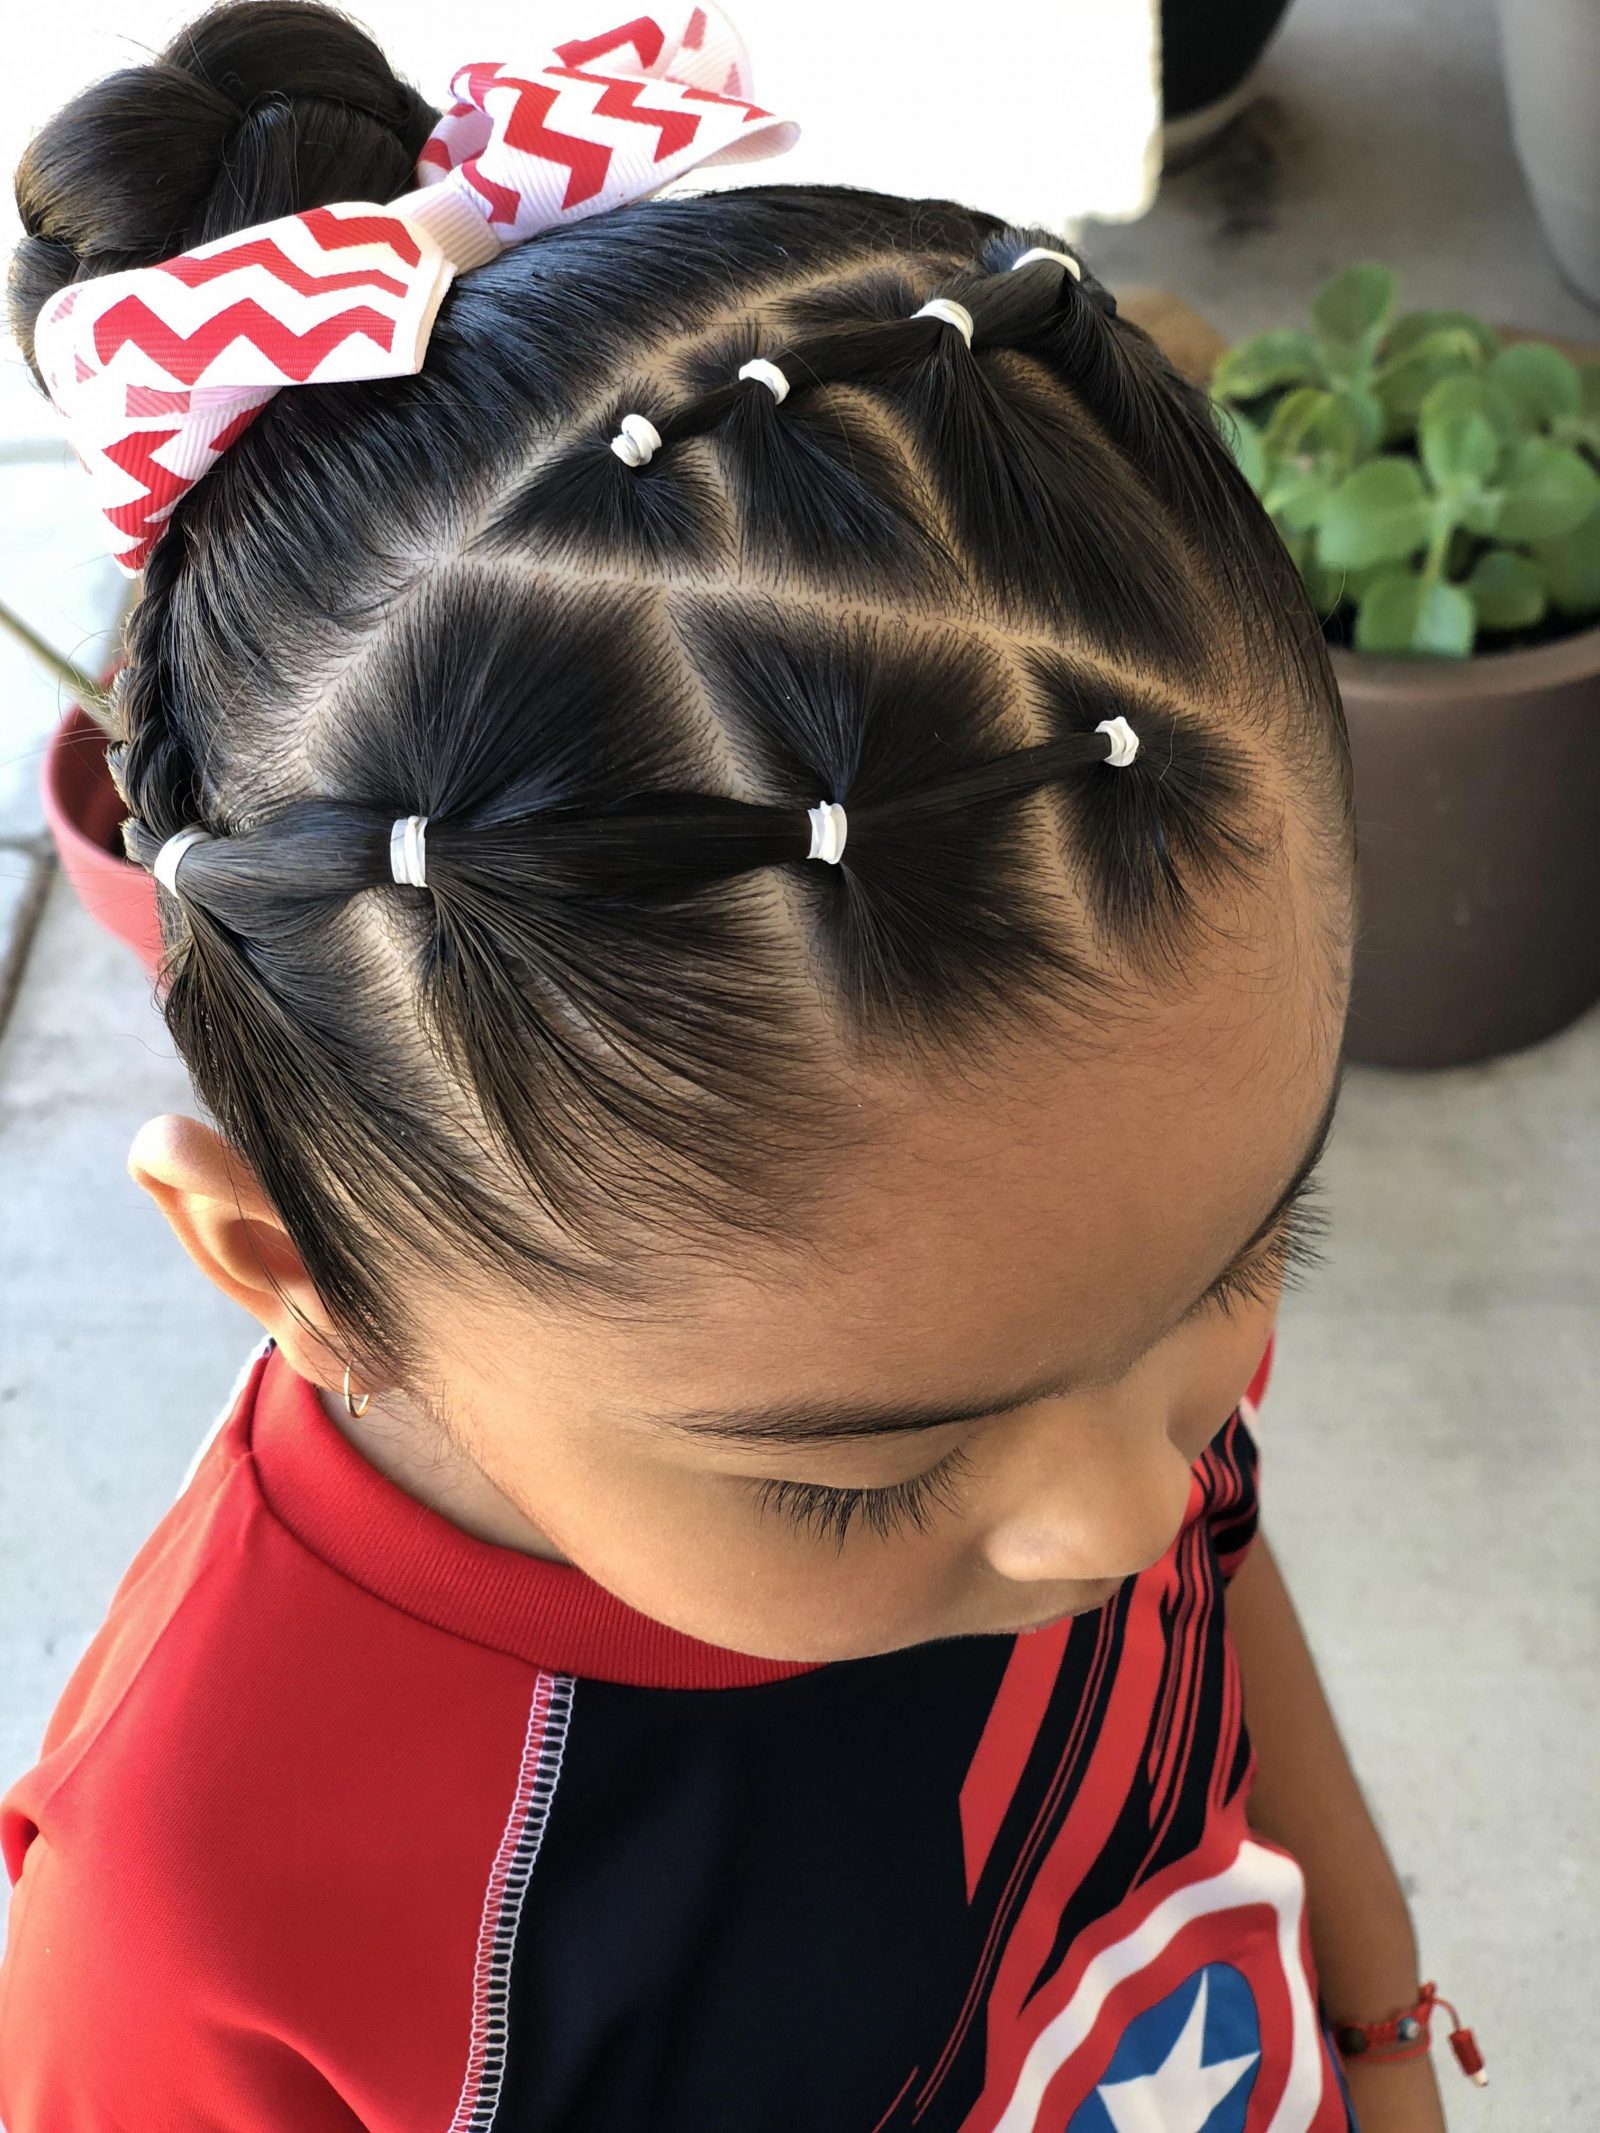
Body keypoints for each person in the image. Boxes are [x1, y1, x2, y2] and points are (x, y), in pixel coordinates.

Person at [0, 5, 1476, 2128]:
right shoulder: (204, 1918)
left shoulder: (1050, 1306)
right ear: (296, 1272)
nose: (1123, 1497)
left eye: (1252, 1254)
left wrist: (1373, 2017)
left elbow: (1215, 1608)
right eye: (853, 1477)